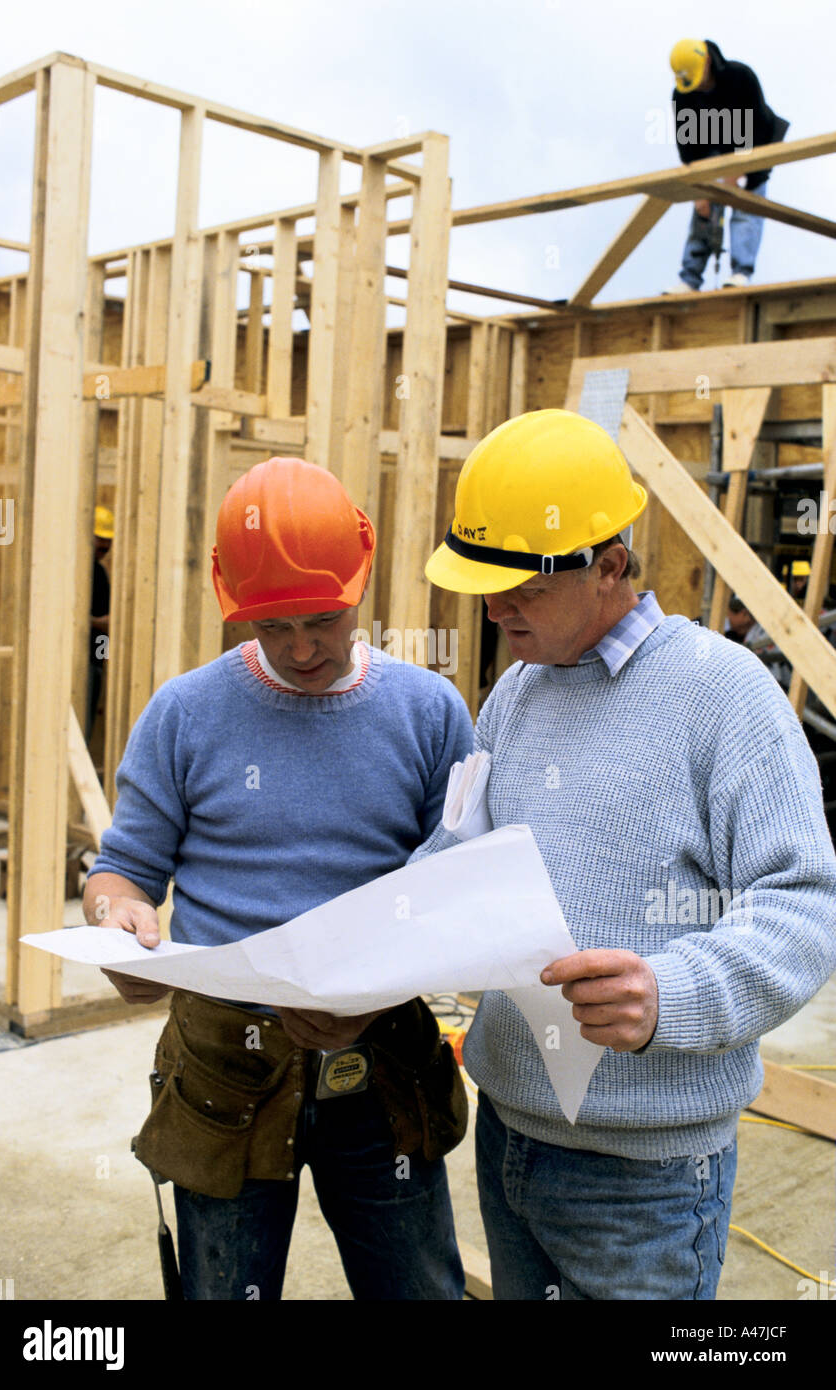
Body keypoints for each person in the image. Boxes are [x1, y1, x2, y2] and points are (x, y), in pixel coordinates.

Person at [414, 409, 836, 1300]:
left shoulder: (721, 695)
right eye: (486, 588)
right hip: (510, 1134)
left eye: (521, 588)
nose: (496, 610)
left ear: (610, 565)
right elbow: (460, 855)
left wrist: (669, 995)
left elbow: (804, 905)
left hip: (642, 1179)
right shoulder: (516, 694)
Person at [83, 457, 473, 1301]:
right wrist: (117, 919)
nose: (301, 648)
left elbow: (458, 883)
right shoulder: (185, 714)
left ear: (360, 585)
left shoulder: (428, 712)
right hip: (228, 1070)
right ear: (234, 606)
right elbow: (124, 868)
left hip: (385, 1068)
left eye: (323, 620)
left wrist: (378, 985)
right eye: (269, 626)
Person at [666, 39, 788, 292]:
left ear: (707, 61)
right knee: (703, 210)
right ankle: (689, 279)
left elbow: (755, 126)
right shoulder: (683, 94)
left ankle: (741, 273)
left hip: (755, 149)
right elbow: (688, 147)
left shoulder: (740, 78)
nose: (696, 85)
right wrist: (698, 189)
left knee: (746, 204)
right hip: (712, 154)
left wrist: (740, 170)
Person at [87, 505, 113, 742]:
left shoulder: (100, 574)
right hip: (78, 664)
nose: (104, 547)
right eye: (100, 540)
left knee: (84, 727)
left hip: (91, 663)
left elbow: (108, 623)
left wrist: (102, 657)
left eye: (108, 542)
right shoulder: (81, 571)